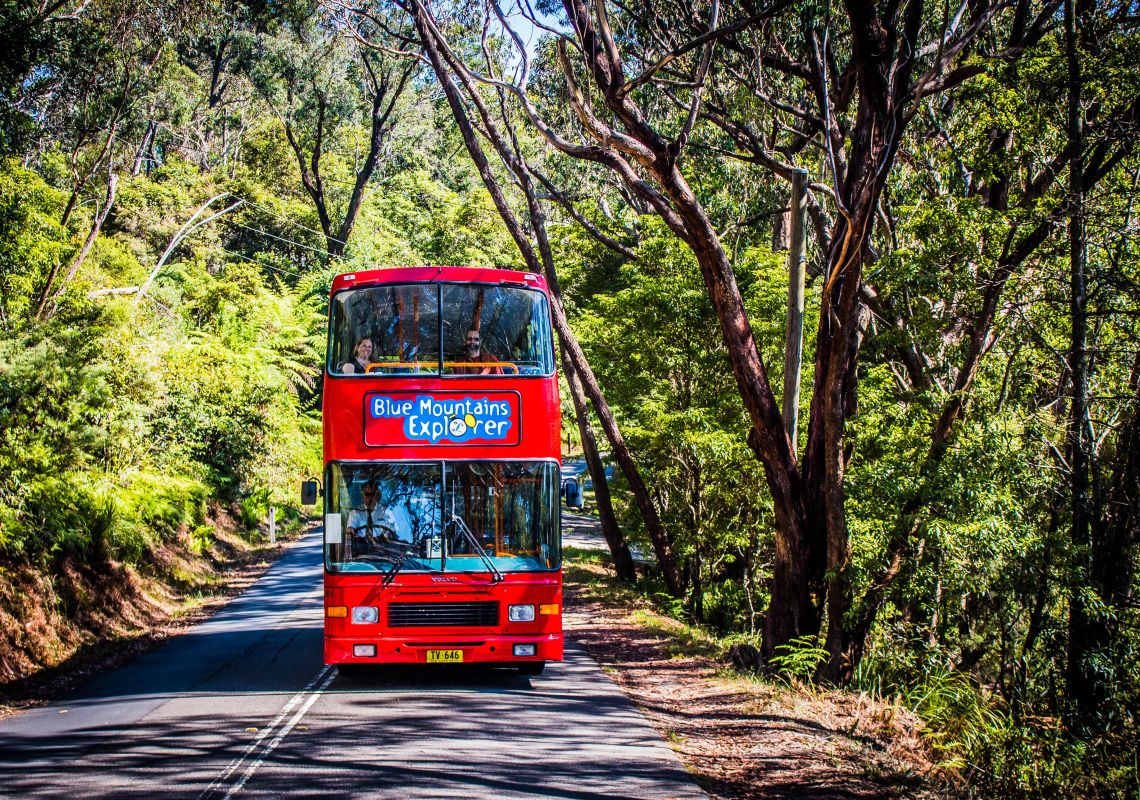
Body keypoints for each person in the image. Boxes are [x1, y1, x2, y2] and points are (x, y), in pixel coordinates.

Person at [346, 481, 398, 554]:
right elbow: (350, 527)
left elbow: (393, 533)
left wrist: (388, 536)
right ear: (362, 496)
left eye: (373, 494)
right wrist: (350, 529)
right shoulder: (355, 512)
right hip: (361, 554)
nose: (370, 497)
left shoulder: (386, 512)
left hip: (383, 553)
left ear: (377, 495)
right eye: (367, 494)